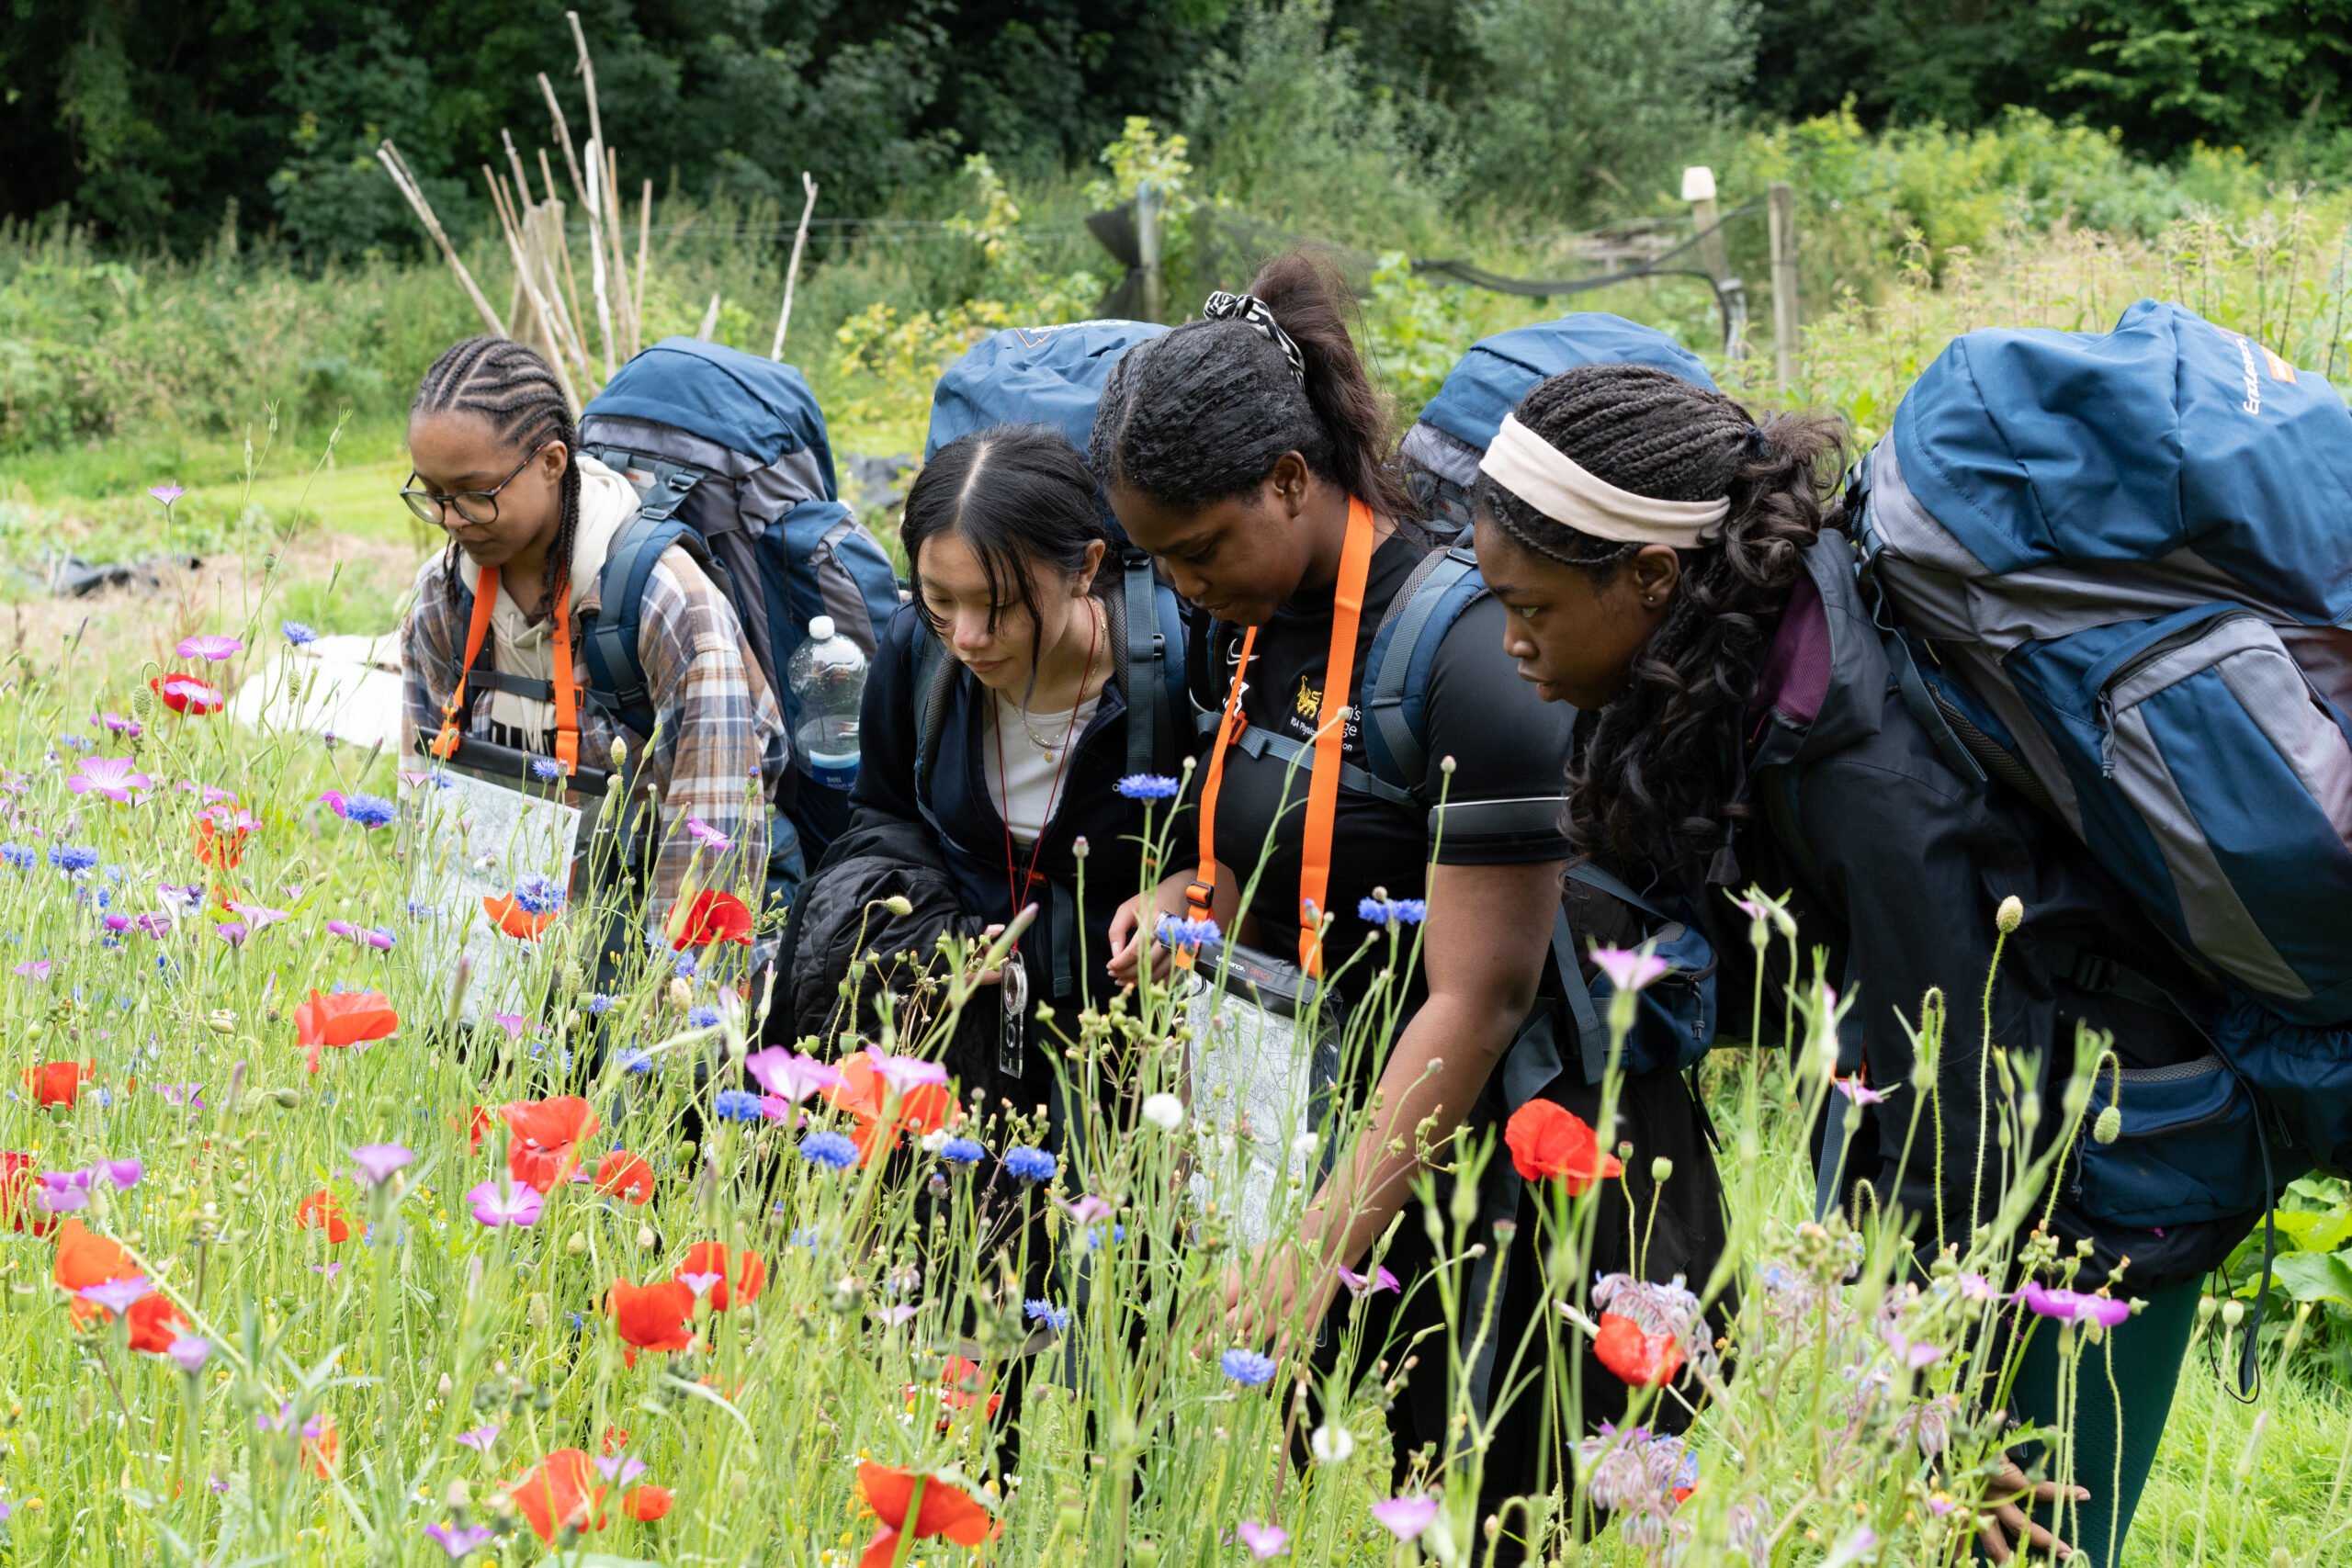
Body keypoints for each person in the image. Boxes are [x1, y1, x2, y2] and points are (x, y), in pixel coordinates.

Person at [1467, 362, 2264, 1566]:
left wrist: (1929, 1368)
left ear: (1651, 575)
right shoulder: (1749, 663)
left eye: (1532, 607)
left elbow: (1956, 1069)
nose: (1511, 642)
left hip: (2096, 1171)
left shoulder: (1847, 745)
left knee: (2016, 1537)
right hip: (1989, 1144)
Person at [1090, 255, 1723, 1557]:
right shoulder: (1250, 618)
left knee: (1497, 1523)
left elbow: (1480, 993)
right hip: (1333, 1136)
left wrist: (1320, 1249)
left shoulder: (1466, 646)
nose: (1184, 585)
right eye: (1158, 560)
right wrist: (1189, 890)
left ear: (1288, 478)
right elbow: (1283, 837)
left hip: (1501, 1185)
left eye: (1201, 547)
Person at [841, 423, 1189, 1116]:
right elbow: (881, 819)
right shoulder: (919, 652)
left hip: (1133, 1056)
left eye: (998, 605)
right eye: (940, 599)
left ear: (1086, 566)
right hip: (960, 1043)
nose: (967, 636)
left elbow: (1241, 836)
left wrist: (1186, 892)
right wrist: (935, 935)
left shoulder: (1176, 664)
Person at [399, 335, 784, 929]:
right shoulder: (442, 596)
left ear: (553, 462)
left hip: (646, 957)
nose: (450, 520)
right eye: (431, 494)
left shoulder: (668, 605)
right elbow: (423, 797)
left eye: (475, 495)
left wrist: (649, 1015)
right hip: (503, 946)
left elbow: (707, 863)